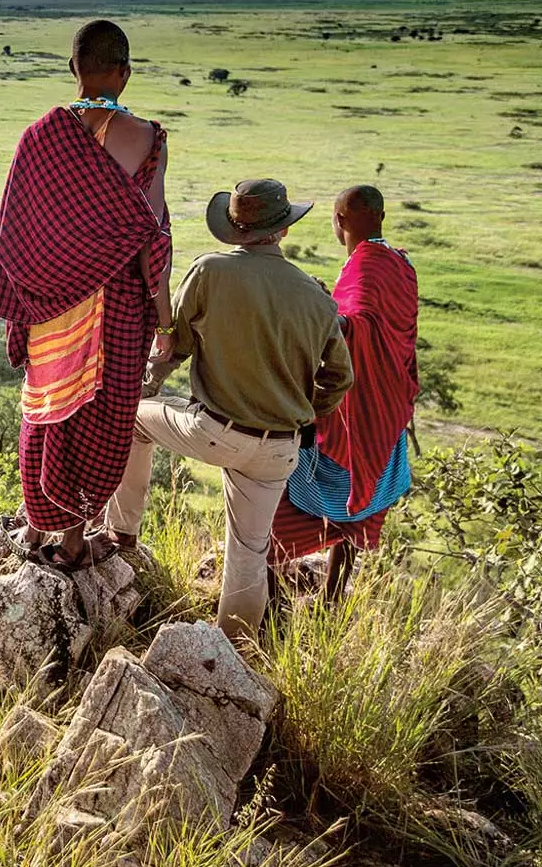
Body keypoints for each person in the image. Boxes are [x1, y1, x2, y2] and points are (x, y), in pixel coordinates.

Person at [97, 179, 354, 645]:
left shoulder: (209, 271)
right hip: (278, 449)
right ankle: (230, 656)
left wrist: (145, 385)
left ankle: (121, 533)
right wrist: (305, 414)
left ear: (234, 229)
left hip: (214, 430)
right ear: (284, 231)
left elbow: (175, 346)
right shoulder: (317, 298)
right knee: (249, 554)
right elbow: (340, 377)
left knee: (134, 418)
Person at [0, 19, 174, 571]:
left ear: (73, 70)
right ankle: (73, 536)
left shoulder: (39, 136)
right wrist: (163, 322)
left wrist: (42, 290)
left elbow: (10, 236)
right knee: (97, 418)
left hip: (51, 310)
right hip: (117, 308)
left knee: (49, 410)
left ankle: (40, 527)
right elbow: (150, 240)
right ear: (125, 73)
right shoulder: (148, 139)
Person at [270, 185, 419, 600]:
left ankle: (271, 601)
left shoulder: (364, 267)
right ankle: (333, 595)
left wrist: (321, 304)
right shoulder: (401, 264)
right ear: (381, 217)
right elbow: (395, 333)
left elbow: (353, 329)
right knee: (364, 502)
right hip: (387, 409)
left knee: (283, 501)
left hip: (355, 409)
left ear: (339, 222)